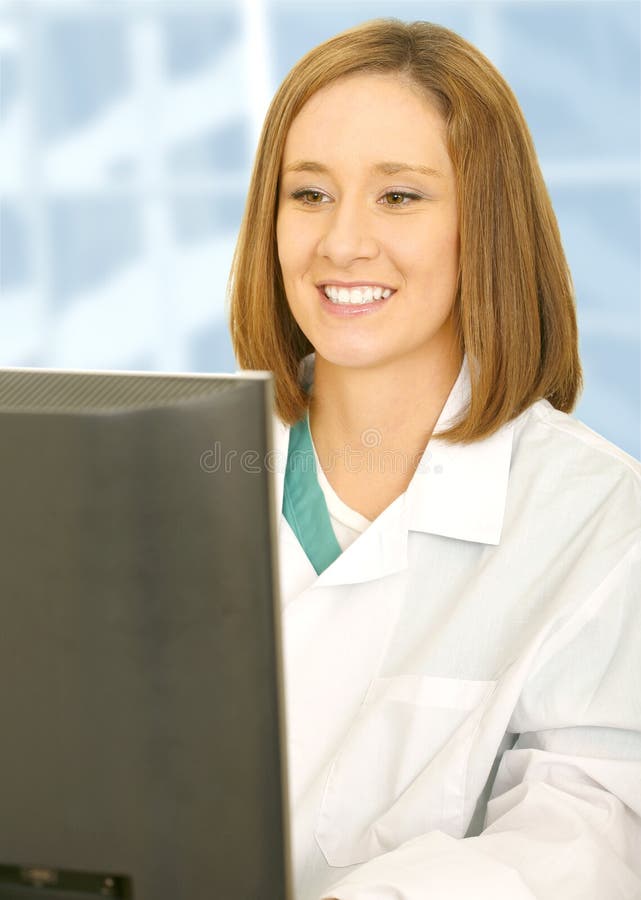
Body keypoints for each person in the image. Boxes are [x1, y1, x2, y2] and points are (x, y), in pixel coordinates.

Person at [229, 18, 641, 900]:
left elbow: (589, 826)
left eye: (399, 196)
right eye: (308, 194)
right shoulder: (187, 465)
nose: (341, 243)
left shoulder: (597, 516)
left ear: (484, 225)